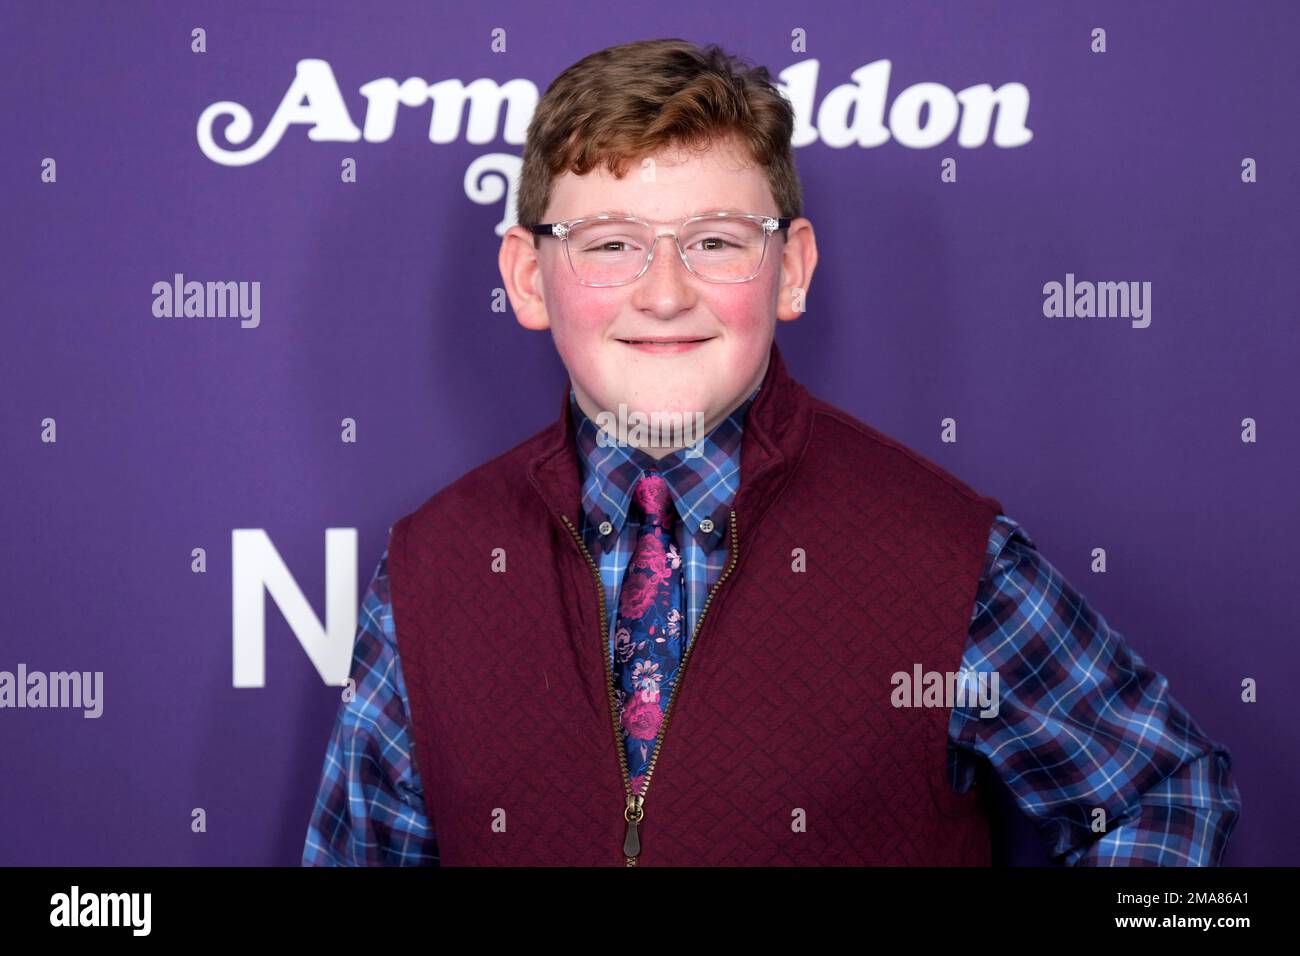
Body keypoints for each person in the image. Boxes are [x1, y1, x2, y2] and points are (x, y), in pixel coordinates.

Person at [303, 38, 1240, 866]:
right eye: (610, 243)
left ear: (789, 269)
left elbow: (1162, 793)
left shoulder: (949, 559)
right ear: (528, 278)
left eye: (713, 242)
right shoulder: (432, 568)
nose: (663, 294)